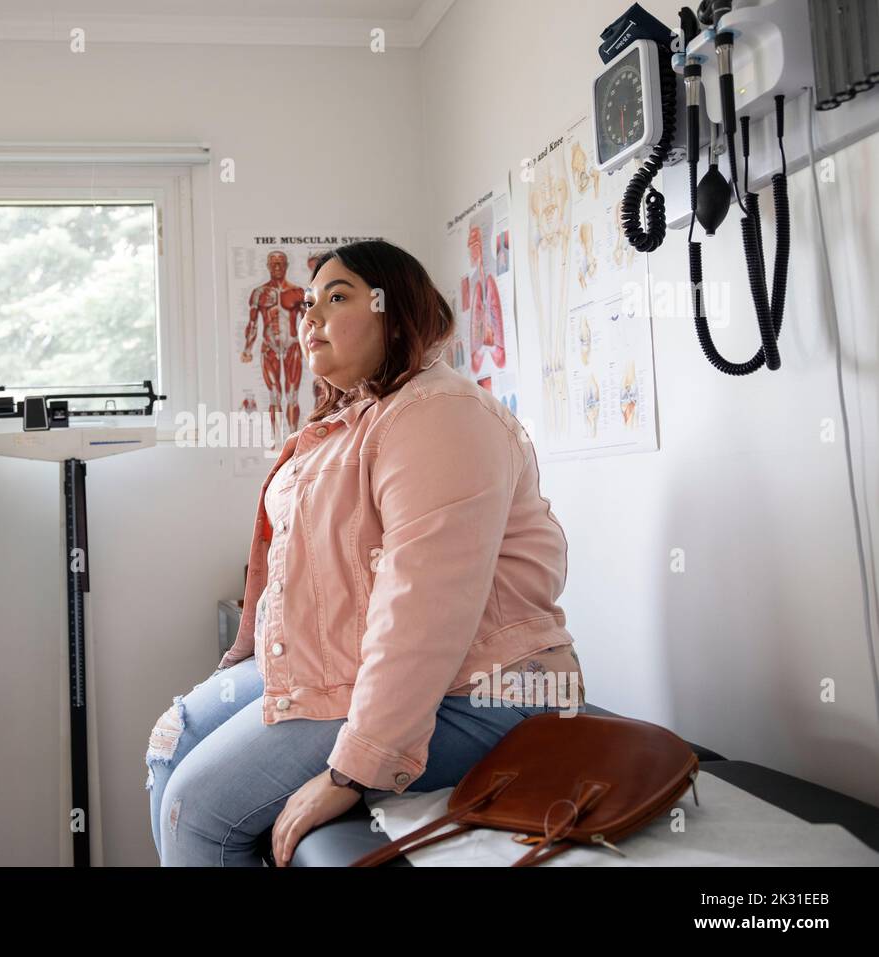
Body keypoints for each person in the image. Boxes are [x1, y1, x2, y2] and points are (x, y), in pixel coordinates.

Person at [144, 240, 585, 866]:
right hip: (352, 669)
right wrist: (248, 662)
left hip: (478, 690)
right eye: (308, 303)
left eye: (338, 296)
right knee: (173, 737)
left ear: (394, 311)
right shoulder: (352, 422)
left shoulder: (439, 413)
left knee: (198, 810)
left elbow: (423, 607)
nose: (310, 316)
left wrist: (353, 772)